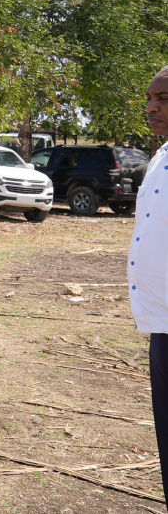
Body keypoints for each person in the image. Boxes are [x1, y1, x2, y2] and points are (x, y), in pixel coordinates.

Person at [129, 66, 168, 501]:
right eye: (150, 98)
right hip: (160, 325)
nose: (152, 107)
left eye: (164, 99)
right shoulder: (159, 158)